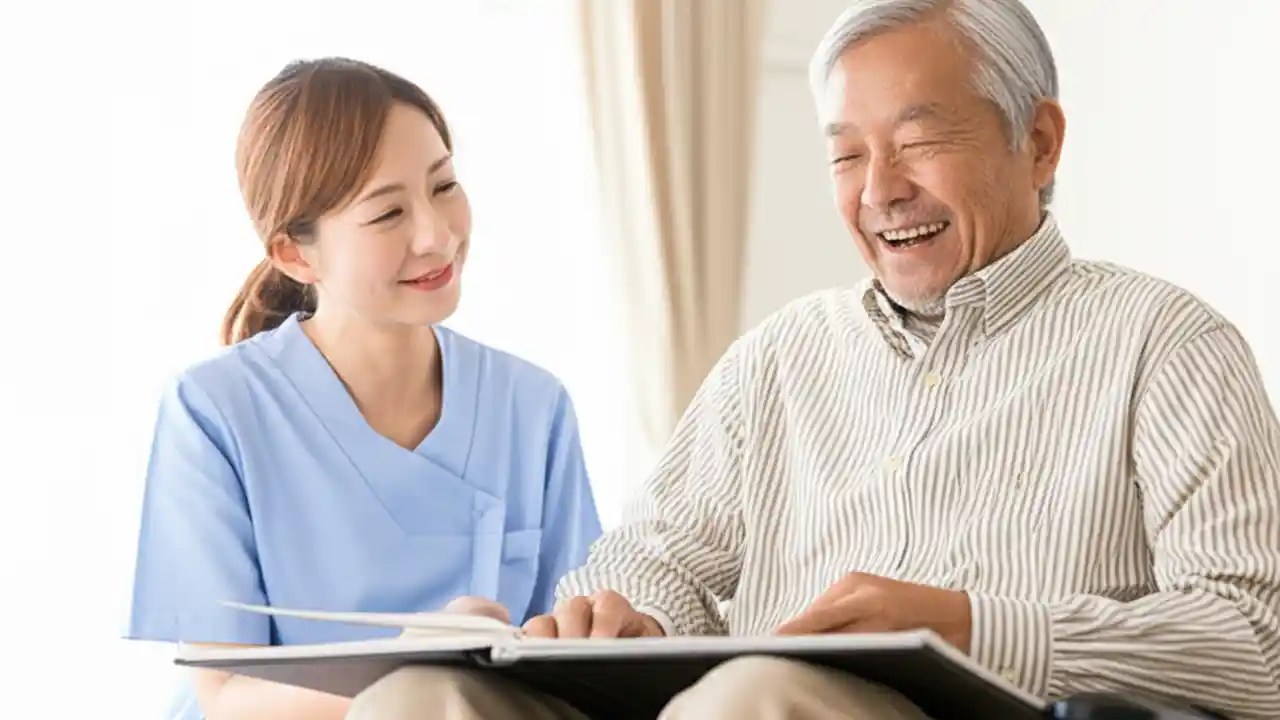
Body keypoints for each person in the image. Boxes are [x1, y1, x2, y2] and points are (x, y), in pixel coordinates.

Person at [346, 1, 1280, 719]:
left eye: (918, 142)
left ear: (1038, 143)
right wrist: (625, 614)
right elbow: (665, 558)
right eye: (846, 157)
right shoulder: (782, 356)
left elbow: (1258, 639)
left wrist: (970, 625)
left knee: (750, 699)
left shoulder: (1167, 344)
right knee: (416, 697)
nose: (880, 191)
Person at [124, 57, 602, 720]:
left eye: (445, 186)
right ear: (295, 253)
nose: (437, 236)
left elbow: (572, 660)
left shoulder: (533, 408)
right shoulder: (214, 414)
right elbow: (226, 696)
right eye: (387, 215)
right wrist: (415, 667)